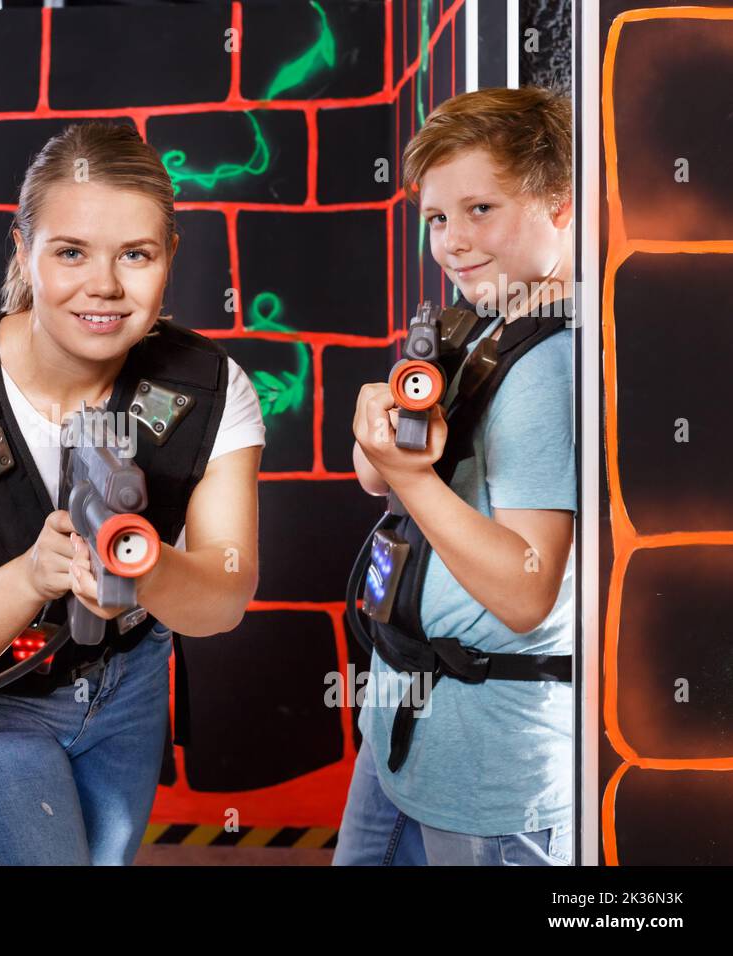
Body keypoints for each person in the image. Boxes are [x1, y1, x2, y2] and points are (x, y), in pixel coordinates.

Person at [0, 122, 265, 865]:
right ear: (23, 248)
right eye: (71, 252)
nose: (105, 286)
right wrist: (32, 575)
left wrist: (147, 568)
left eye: (136, 255)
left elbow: (226, 593)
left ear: (170, 255)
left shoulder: (210, 389)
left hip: (130, 685)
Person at [335, 87, 576, 865]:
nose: (453, 242)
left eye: (481, 210)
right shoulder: (482, 324)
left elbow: (525, 590)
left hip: (490, 764)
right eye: (438, 218)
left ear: (559, 204)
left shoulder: (551, 366)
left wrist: (408, 480)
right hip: (408, 725)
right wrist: (381, 439)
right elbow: (379, 480)